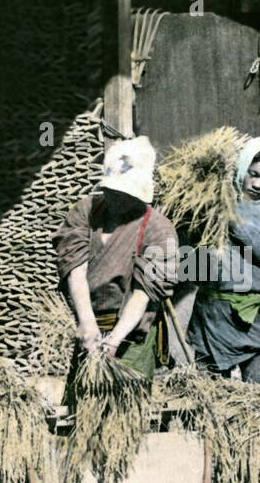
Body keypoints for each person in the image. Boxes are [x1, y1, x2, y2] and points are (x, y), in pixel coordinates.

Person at [53, 135, 179, 380]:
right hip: (87, 326)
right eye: (112, 191)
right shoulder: (86, 211)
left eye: (126, 194)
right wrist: (87, 322)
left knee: (126, 407)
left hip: (131, 334)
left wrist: (113, 341)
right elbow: (75, 268)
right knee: (85, 401)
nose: (117, 199)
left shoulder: (158, 230)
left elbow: (143, 293)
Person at [187, 136, 260, 383]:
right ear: (241, 170)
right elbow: (194, 263)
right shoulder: (211, 211)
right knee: (209, 397)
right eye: (252, 174)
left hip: (256, 321)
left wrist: (231, 220)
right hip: (214, 319)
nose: (257, 184)